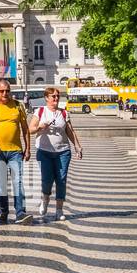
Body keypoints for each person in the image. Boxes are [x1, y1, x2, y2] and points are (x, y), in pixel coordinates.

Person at [30, 86, 83, 222]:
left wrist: (77, 146)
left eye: (58, 96)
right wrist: (40, 127)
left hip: (63, 151)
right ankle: (45, 199)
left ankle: (59, 210)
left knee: (61, 179)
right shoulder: (40, 111)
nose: (56, 98)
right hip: (44, 151)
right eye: (53, 96)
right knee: (47, 179)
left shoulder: (64, 113)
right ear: (46, 98)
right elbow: (30, 129)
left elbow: (70, 131)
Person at [0, 80, 32, 224]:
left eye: (7, 91)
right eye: (2, 91)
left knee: (18, 181)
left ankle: (20, 213)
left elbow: (25, 129)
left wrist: (28, 148)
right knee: (2, 183)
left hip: (15, 151)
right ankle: (3, 212)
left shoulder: (18, 105)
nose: (5, 94)